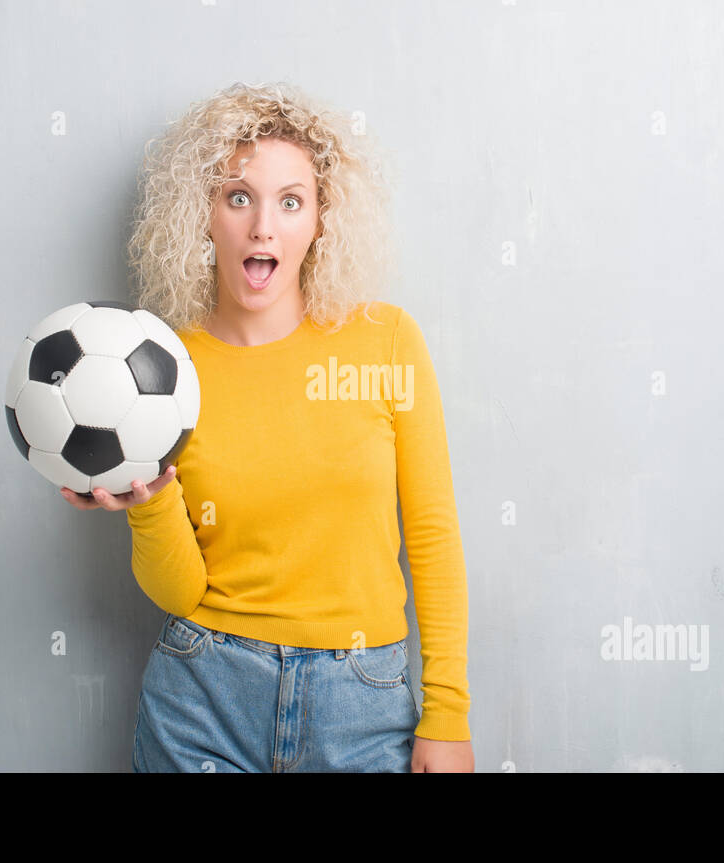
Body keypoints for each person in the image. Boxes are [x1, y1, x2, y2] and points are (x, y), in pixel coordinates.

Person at [60, 81, 472, 772]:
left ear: (320, 221)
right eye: (238, 196)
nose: (263, 227)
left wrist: (449, 711)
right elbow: (182, 593)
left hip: (362, 702)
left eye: (291, 201)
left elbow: (432, 535)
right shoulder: (159, 373)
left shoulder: (386, 342)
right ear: (203, 213)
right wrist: (149, 505)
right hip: (204, 694)